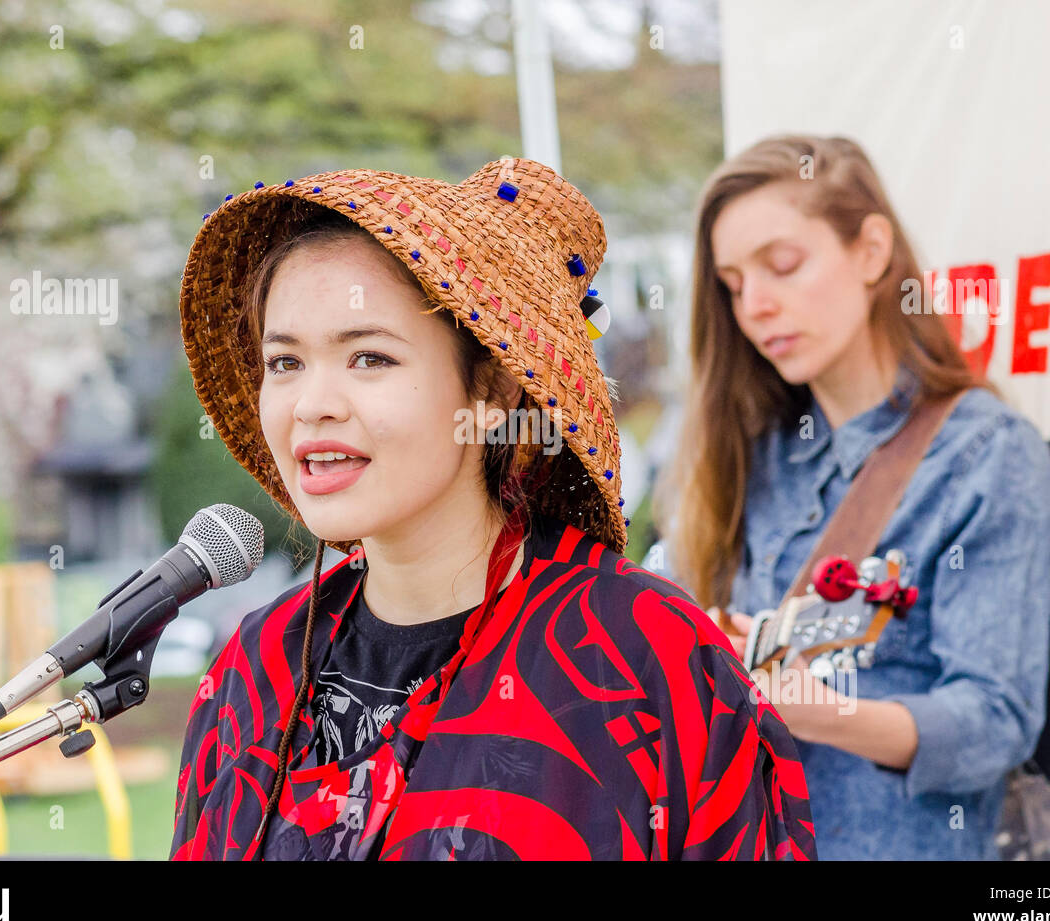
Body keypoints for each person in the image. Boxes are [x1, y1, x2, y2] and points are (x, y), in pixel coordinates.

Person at [169, 159, 817, 860]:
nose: (312, 403)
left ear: (494, 393)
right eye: (286, 363)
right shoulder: (255, 667)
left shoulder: (646, 652)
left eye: (369, 359)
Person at [652, 135, 1050, 860]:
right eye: (734, 284)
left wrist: (825, 713)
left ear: (872, 251)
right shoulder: (747, 452)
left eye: (782, 265)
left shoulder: (985, 454)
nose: (757, 306)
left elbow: (995, 720)